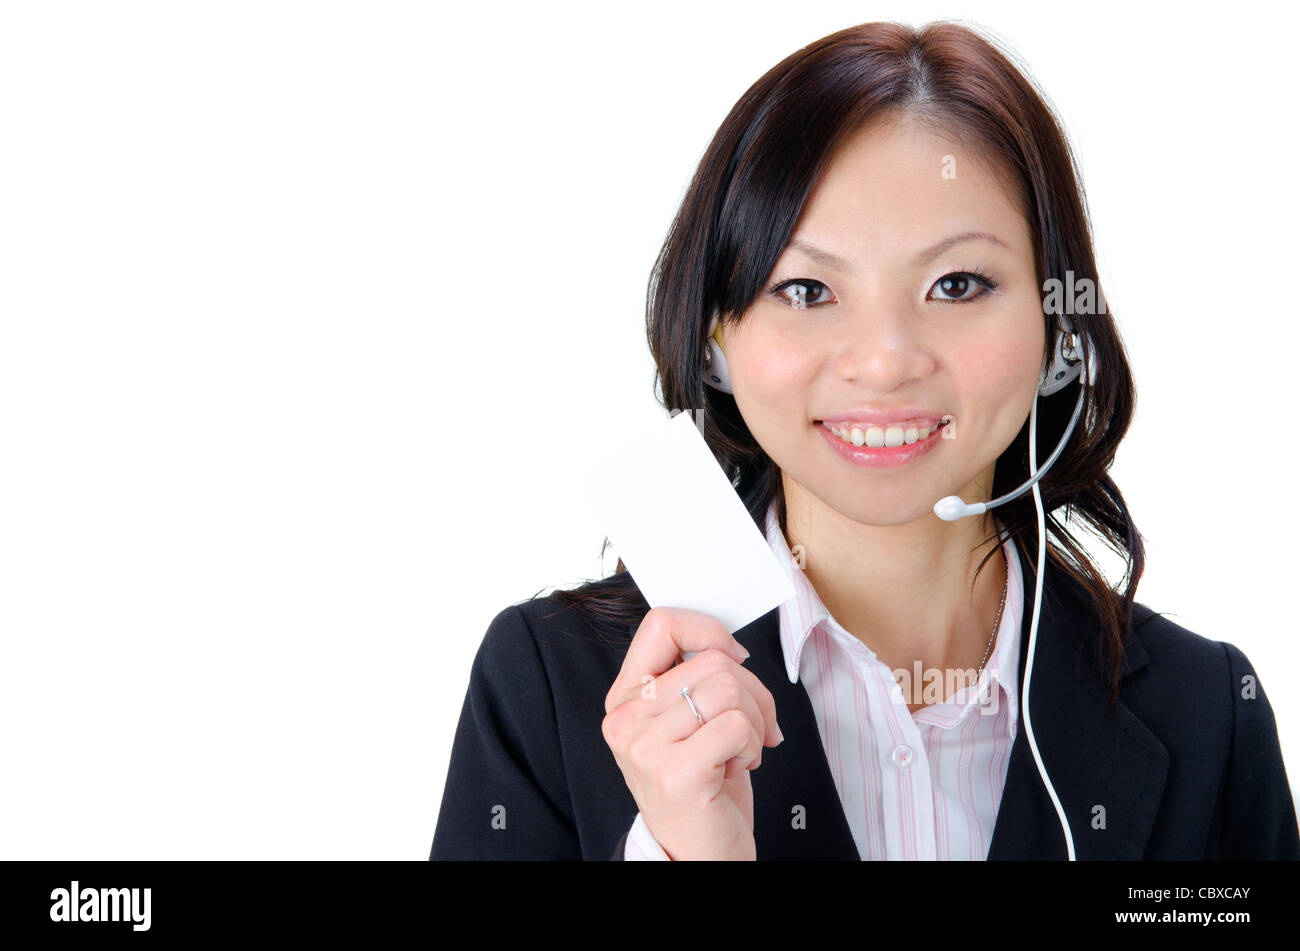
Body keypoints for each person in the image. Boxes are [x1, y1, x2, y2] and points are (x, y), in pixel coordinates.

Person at [428, 19, 1300, 861]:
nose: (884, 362)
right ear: (716, 340)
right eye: (807, 290)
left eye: (958, 283)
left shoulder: (1209, 716)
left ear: (1058, 330)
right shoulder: (547, 687)